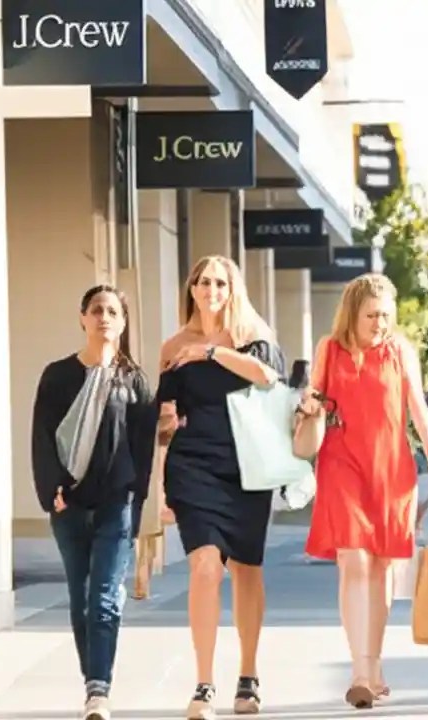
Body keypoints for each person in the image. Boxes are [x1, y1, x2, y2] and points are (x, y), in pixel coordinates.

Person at [298, 274, 428, 708]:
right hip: (342, 461)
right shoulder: (331, 347)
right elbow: (317, 394)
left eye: (386, 315)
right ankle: (360, 670)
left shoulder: (400, 350)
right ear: (353, 313)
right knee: (355, 562)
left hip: (390, 468)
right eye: (372, 315)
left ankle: (374, 663)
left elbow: (417, 408)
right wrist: (309, 403)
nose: (380, 323)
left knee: (382, 568)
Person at [157, 255, 284, 720]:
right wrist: (162, 479)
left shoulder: (254, 338)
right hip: (193, 466)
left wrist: (211, 352)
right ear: (191, 288)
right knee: (206, 567)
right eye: (203, 281)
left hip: (248, 467)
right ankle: (204, 683)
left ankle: (248, 675)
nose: (211, 289)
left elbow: (270, 377)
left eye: (220, 282)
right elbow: (165, 417)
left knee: (246, 569)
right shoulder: (173, 344)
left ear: (233, 289)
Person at [31, 285, 156, 720]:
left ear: (123, 322)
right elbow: (43, 438)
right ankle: (94, 683)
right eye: (96, 310)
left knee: (103, 596)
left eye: (113, 312)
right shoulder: (58, 375)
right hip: (69, 505)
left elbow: (143, 453)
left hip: (115, 504)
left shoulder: (134, 381)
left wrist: (138, 510)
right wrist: (52, 491)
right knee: (81, 598)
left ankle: (98, 690)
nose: (104, 318)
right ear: (82, 318)